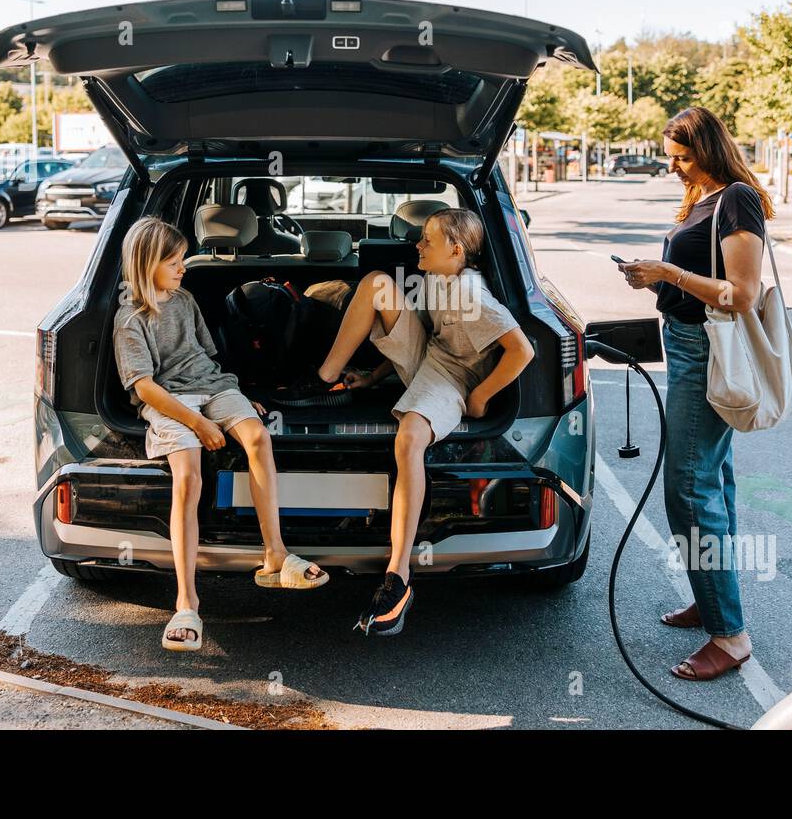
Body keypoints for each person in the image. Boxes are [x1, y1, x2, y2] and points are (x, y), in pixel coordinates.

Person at [274, 208, 534, 636]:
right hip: (431, 358)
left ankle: (398, 578)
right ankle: (324, 379)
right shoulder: (435, 277)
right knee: (376, 283)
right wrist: (372, 378)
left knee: (409, 439)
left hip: (455, 378)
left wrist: (481, 396)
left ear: (456, 250)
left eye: (427, 240)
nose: (417, 245)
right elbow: (423, 337)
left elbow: (522, 351)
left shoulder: (472, 294)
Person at [113, 217, 328, 652]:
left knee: (257, 437)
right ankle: (186, 603)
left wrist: (239, 400)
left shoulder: (185, 299)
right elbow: (144, 387)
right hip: (169, 401)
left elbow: (208, 361)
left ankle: (275, 556)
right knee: (188, 477)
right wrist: (200, 424)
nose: (183, 268)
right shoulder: (129, 320)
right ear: (145, 263)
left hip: (214, 388)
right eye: (173, 262)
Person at [616, 106, 775, 681]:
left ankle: (730, 636)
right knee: (714, 481)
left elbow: (742, 294)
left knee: (689, 489)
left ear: (709, 148)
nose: (675, 167)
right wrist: (653, 276)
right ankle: (713, 601)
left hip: (709, 352)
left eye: (684, 157)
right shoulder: (704, 199)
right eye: (671, 157)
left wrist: (665, 273)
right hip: (687, 345)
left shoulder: (736, 199)